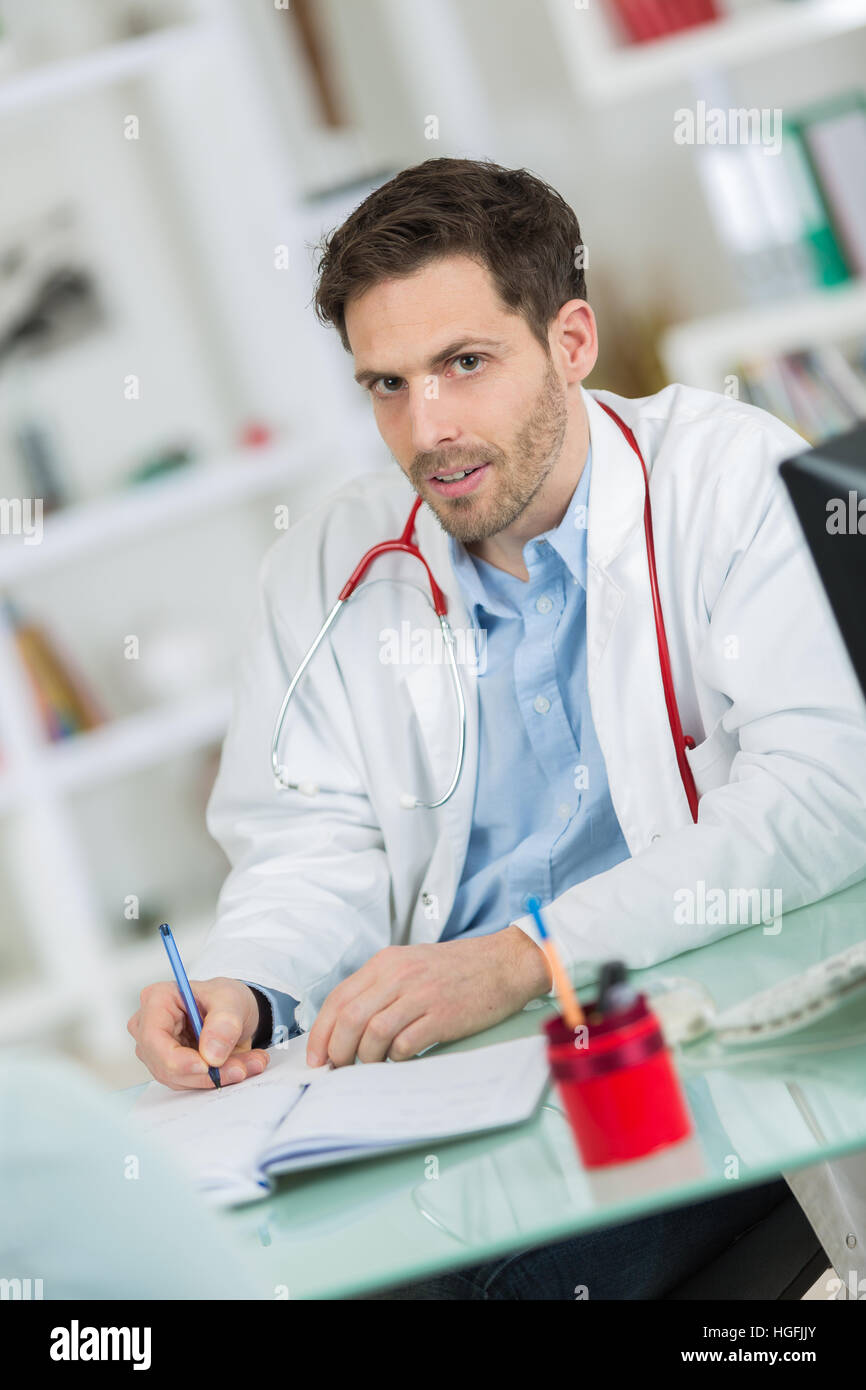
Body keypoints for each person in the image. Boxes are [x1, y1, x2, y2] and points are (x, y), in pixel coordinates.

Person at [128, 157, 866, 1297]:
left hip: (680, 1043)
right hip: (432, 1090)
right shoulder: (326, 564)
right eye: (384, 384)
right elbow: (308, 843)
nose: (426, 428)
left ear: (570, 341)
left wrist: (527, 958)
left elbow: (820, 796)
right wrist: (247, 983)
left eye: (461, 364)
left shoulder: (727, 480)